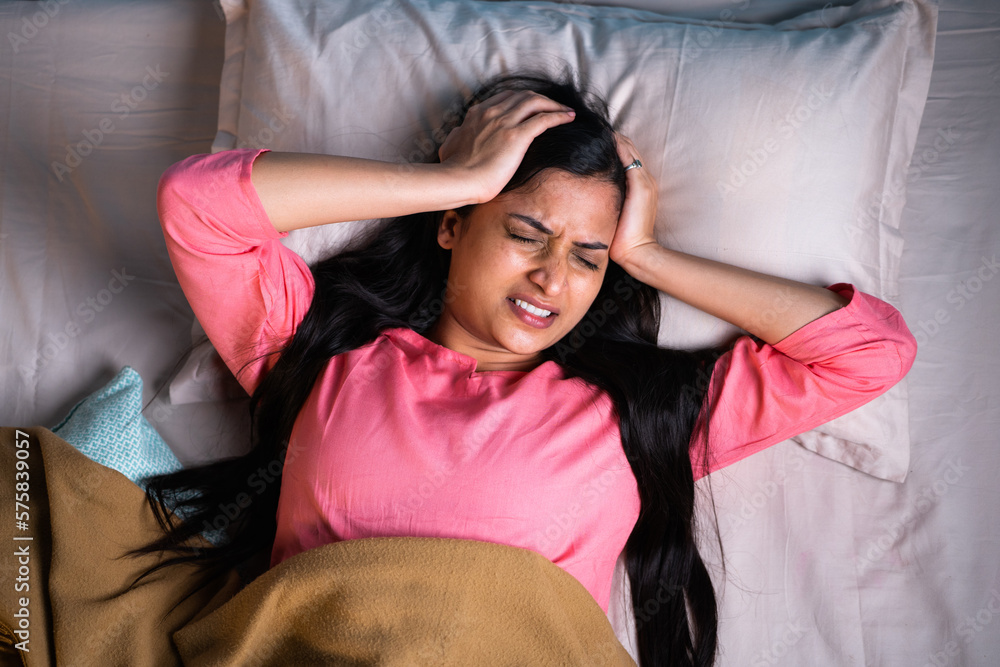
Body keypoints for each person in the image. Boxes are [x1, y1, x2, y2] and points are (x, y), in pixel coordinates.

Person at [136, 71, 917, 666]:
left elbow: (871, 351)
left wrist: (647, 256)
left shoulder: (640, 413)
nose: (553, 277)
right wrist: (459, 178)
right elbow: (198, 203)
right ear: (452, 226)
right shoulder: (320, 356)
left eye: (586, 256)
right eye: (525, 231)